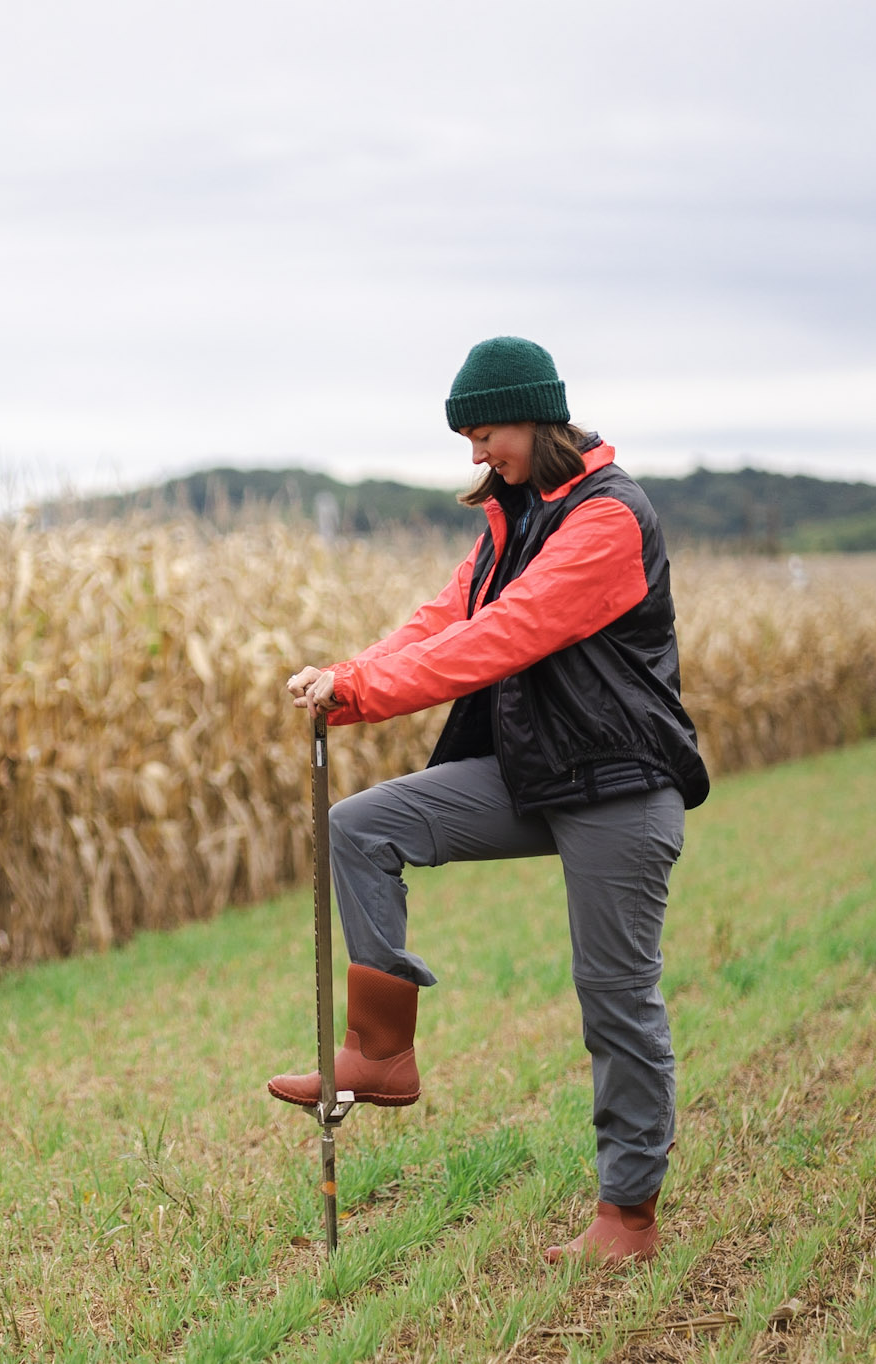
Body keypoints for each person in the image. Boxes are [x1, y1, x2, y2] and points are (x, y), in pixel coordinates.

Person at [266, 336, 708, 1265]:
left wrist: (365, 691)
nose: (476, 454)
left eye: (486, 431)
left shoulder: (607, 520)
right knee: (361, 826)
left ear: (539, 416)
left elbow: (505, 637)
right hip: (537, 772)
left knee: (614, 1000)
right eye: (467, 437)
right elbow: (445, 619)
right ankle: (382, 1053)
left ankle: (627, 1217)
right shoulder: (514, 518)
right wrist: (348, 676)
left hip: (621, 785)